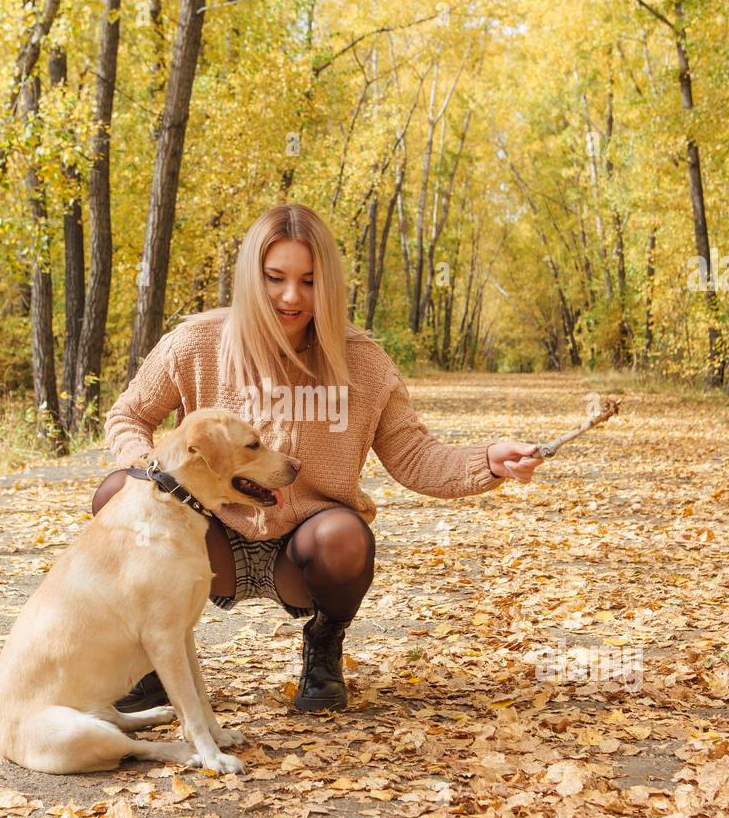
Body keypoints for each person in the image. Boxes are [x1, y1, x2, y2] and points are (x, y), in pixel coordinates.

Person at [92, 203, 542, 712]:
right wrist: (159, 479)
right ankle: (151, 661)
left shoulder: (363, 362)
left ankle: (325, 641)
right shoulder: (197, 343)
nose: (291, 296)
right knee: (117, 492)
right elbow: (128, 417)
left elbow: (415, 456)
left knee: (345, 537)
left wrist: (490, 460)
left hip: (304, 551)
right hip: (206, 535)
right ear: (250, 279)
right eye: (275, 278)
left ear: (327, 283)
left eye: (309, 281)